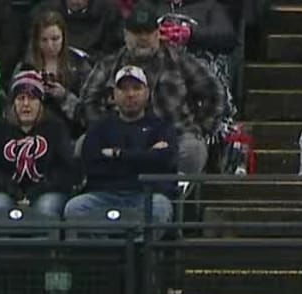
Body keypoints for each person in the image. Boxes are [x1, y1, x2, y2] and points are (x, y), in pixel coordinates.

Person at [80, 2, 227, 174]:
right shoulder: (109, 65)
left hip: (175, 136)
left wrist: (201, 128)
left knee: (193, 149)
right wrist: (104, 129)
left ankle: (176, 197)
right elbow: (88, 99)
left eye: (147, 32)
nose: (142, 38)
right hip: (120, 138)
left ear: (157, 34)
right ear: (126, 35)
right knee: (83, 144)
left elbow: (215, 92)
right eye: (136, 33)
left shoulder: (180, 61)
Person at [64, 65, 177, 224]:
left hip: (146, 194)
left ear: (147, 93)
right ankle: (109, 245)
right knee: (75, 208)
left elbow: (164, 161)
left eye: (136, 88)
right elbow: (92, 164)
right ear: (114, 95)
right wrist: (144, 157)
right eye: (123, 89)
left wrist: (118, 155)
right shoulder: (100, 127)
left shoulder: (161, 127)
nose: (130, 94)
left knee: (160, 207)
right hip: (104, 194)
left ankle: (138, 246)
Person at [0, 70, 77, 217]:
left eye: (32, 98)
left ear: (40, 103)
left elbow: (65, 171)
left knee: (47, 207)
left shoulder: (56, 128)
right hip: (5, 191)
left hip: (45, 192)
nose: (26, 104)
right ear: (13, 104)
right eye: (20, 98)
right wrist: (12, 190)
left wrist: (36, 191)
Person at [15, 10, 93, 136]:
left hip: (72, 130)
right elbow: (13, 107)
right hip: (35, 131)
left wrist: (64, 96)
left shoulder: (79, 63)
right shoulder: (26, 66)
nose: (50, 46)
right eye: (44, 40)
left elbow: (89, 111)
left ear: (64, 37)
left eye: (55, 39)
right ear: (36, 41)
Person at [29, 0, 122, 58]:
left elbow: (111, 53)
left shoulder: (109, 11)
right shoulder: (45, 10)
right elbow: (32, 50)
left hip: (93, 70)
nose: (75, 2)